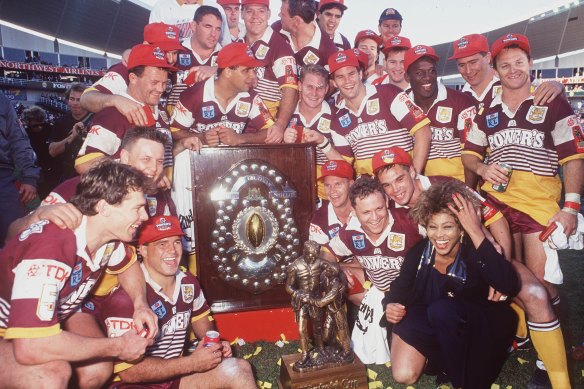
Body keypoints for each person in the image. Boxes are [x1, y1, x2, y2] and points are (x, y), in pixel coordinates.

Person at [373, 145, 570, 389]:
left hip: (482, 254)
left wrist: (501, 263)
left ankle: (553, 374)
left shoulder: (445, 186)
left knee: (534, 293)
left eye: (399, 179)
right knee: (436, 316)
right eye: (387, 185)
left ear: (412, 171)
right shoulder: (387, 209)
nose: (395, 189)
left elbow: (495, 218)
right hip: (438, 280)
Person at [462, 33, 581, 389]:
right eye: (505, 64)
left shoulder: (552, 101)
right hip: (496, 204)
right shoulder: (487, 109)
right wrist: (482, 170)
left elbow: (573, 157)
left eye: (519, 62)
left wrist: (571, 206)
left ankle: (552, 360)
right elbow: (469, 154)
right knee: (504, 278)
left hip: (539, 204)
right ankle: (525, 333)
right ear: (495, 69)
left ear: (529, 64)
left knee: (543, 285)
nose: (513, 69)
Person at [0, 162, 156, 388]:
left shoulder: (104, 236)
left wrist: (140, 304)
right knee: (50, 375)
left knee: (98, 367)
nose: (145, 216)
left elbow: (128, 265)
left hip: (36, 324)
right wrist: (119, 346)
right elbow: (31, 346)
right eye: (138, 208)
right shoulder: (52, 245)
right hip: (13, 331)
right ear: (104, 207)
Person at [84, 215, 257, 388]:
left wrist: (213, 345)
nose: (173, 251)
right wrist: (192, 363)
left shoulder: (188, 282)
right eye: (162, 244)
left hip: (175, 378)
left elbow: (202, 323)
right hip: (133, 385)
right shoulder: (124, 299)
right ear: (142, 250)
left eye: (176, 242)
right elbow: (129, 372)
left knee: (239, 369)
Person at [382, 180, 520, 389]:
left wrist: (476, 231)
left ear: (462, 229)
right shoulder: (420, 253)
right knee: (408, 319)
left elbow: (508, 284)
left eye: (448, 227)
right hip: (444, 331)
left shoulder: (475, 251)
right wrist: (390, 305)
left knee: (442, 310)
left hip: (481, 334)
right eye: (432, 227)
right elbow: (399, 288)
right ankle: (445, 363)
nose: (439, 236)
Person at [328, 177, 422, 364]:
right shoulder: (351, 231)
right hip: (379, 292)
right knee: (327, 275)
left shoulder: (409, 221)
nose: (375, 217)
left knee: (405, 373)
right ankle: (332, 340)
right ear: (354, 212)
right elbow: (326, 255)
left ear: (387, 201)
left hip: (413, 297)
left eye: (379, 208)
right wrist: (334, 267)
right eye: (366, 212)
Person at [327, 49, 431, 175]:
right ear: (334, 83)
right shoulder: (337, 121)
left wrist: (415, 174)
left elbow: (423, 130)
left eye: (351, 74)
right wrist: (322, 143)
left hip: (401, 180)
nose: (347, 81)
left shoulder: (389, 93)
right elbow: (344, 166)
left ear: (360, 74)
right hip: (369, 188)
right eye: (340, 77)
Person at [76, 44, 176, 175]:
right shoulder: (114, 113)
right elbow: (84, 164)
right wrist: (138, 171)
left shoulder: (160, 109)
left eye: (164, 83)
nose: (160, 89)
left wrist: (183, 144)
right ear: (133, 78)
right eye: (154, 82)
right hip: (128, 193)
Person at [171, 42, 275, 151]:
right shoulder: (193, 95)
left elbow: (270, 132)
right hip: (195, 160)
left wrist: (240, 138)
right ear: (228, 72)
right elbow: (174, 132)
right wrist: (202, 137)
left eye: (254, 70)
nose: (253, 76)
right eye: (246, 70)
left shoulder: (251, 96)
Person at [80, 23, 183, 127]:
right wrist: (115, 100)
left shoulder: (171, 69)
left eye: (174, 53)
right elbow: (85, 98)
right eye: (163, 52)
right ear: (146, 45)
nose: (170, 59)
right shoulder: (126, 69)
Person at [403, 45, 477, 183]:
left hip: (455, 184)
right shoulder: (403, 103)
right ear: (407, 77)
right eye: (419, 73)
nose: (427, 78)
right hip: (419, 186)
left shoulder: (461, 101)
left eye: (432, 71)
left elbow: (471, 153)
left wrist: (469, 193)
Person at [282, 64, 344, 198]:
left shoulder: (337, 117)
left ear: (327, 88)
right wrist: (282, 142)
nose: (314, 93)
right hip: (292, 190)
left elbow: (345, 166)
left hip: (328, 193)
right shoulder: (284, 115)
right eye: (309, 87)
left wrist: (323, 142)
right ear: (299, 85)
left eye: (320, 88)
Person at [242, 0, 299, 144]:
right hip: (240, 124)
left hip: (266, 130)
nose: (255, 16)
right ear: (242, 14)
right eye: (249, 11)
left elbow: (290, 89)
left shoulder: (280, 46)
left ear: (269, 14)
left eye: (261, 11)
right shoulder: (237, 43)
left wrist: (280, 125)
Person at [166, 6, 224, 113]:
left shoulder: (227, 56)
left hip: (211, 124)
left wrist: (217, 70)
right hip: (175, 123)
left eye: (218, 29)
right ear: (193, 26)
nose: (213, 34)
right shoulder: (175, 51)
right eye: (208, 26)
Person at [0, 92, 39, 247]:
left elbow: (18, 139)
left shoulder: (2, 100)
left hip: (3, 177)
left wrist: (29, 177)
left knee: (15, 237)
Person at [285, 240, 328, 368]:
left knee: (318, 327)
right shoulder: (295, 266)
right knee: (302, 329)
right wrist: (297, 293)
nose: (312, 258)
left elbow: (333, 269)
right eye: (310, 255)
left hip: (315, 299)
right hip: (302, 301)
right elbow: (288, 286)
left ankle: (321, 349)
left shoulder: (320, 262)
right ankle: (305, 353)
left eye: (315, 256)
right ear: (304, 252)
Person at [274, 0, 338, 70]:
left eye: (283, 14)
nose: (279, 15)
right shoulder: (276, 29)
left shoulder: (328, 51)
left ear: (296, 21)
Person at [49, 83, 91, 182]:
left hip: (89, 174)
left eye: (79, 99)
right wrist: (72, 136)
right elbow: (52, 151)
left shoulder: (96, 119)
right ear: (67, 100)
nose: (75, 103)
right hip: (66, 175)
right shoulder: (60, 122)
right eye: (72, 99)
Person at [149, 0, 230, 46]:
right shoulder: (161, 6)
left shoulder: (215, 7)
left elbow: (226, 45)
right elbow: (151, 45)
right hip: (171, 65)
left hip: (206, 66)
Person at [21, 106, 59, 198]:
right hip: (37, 169)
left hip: (53, 168)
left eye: (41, 124)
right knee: (43, 195)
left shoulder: (50, 128)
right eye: (35, 125)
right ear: (28, 122)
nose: (39, 127)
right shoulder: (25, 134)